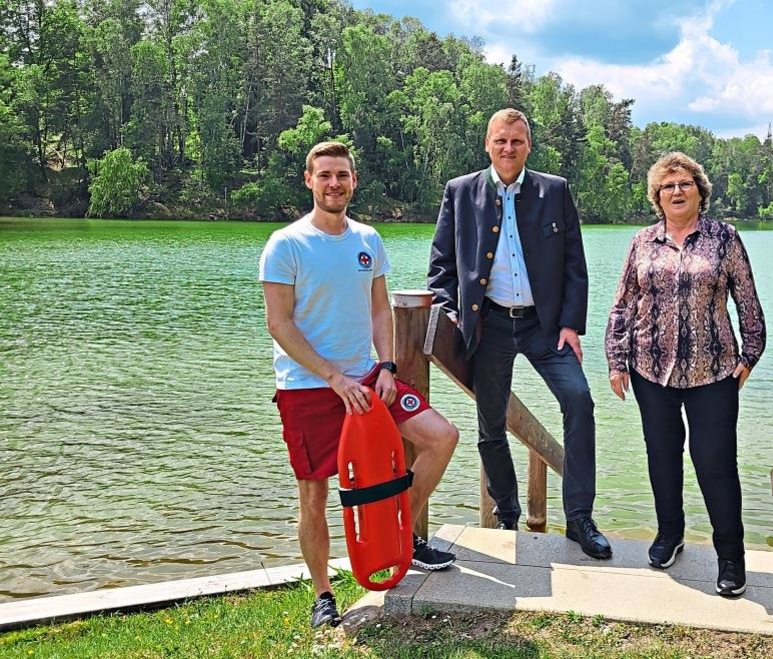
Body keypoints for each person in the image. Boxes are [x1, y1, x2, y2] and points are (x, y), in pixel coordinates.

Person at [259, 141, 460, 628]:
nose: (334, 183)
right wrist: (333, 378)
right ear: (309, 180)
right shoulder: (285, 244)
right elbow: (279, 324)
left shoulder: (368, 239)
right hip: (308, 387)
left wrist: (387, 365)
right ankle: (323, 594)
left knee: (441, 436)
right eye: (324, 175)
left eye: (342, 175)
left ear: (354, 180)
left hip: (369, 379)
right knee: (314, 493)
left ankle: (399, 535)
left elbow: (378, 309)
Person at [427, 108, 611, 560]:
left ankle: (580, 519)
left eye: (517, 141)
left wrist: (570, 323)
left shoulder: (555, 190)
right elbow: (440, 267)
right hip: (487, 324)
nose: (508, 148)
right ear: (487, 145)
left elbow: (574, 264)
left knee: (579, 401)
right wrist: (450, 311)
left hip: (544, 327)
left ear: (528, 146)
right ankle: (507, 513)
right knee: (490, 425)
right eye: (500, 140)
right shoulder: (460, 192)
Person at [604, 152, 766, 597]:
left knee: (715, 464)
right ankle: (669, 534)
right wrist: (617, 360)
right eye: (667, 186)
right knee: (662, 455)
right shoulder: (642, 242)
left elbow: (748, 304)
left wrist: (749, 356)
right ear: (657, 196)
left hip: (713, 371)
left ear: (700, 191)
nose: (677, 191)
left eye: (685, 184)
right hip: (650, 369)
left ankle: (731, 556)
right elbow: (622, 304)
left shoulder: (725, 239)